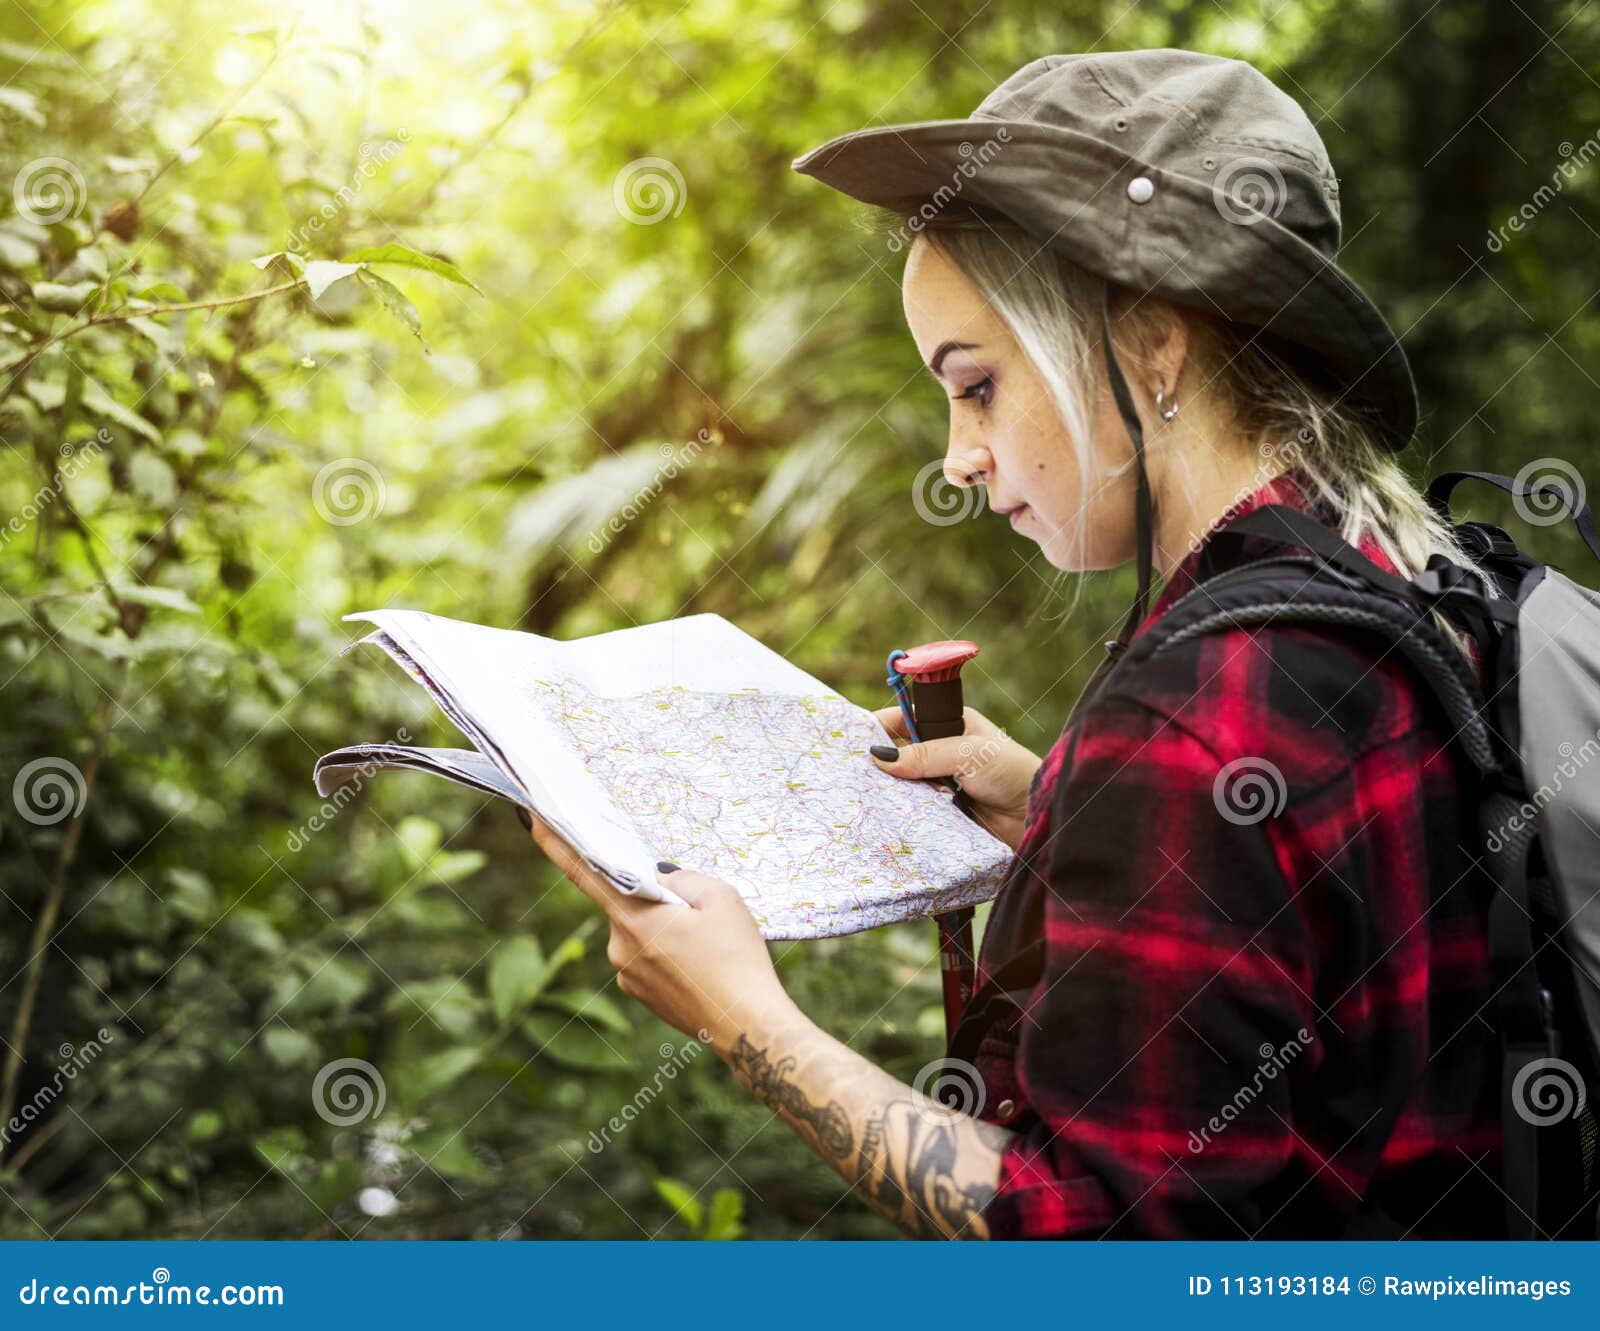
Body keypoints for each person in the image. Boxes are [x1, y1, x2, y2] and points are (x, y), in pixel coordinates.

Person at [524, 49, 1506, 1239]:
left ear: (1152, 346)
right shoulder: (1383, 575)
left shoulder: (1204, 707)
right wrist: (1062, 810)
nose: (959, 455)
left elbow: (1092, 1244)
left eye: (977, 385)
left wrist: (745, 1019)